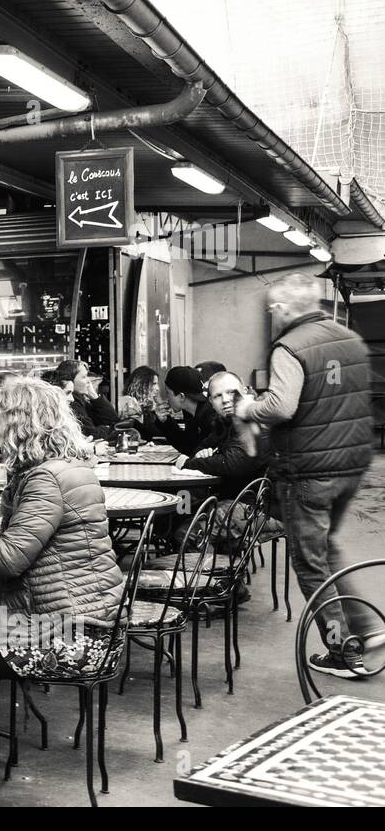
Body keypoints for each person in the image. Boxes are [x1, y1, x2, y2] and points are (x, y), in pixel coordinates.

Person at [0, 377, 124, 804]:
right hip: (97, 620)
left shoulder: (44, 479)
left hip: (72, 634)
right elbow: (44, 532)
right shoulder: (71, 467)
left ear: (20, 424)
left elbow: (13, 558)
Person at [231, 273, 374, 678]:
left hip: (308, 472)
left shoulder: (289, 347)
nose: (272, 314)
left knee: (309, 563)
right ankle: (366, 627)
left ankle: (343, 652)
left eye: (273, 308)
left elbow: (280, 406)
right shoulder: (350, 339)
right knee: (325, 549)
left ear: (287, 308)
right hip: (352, 465)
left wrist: (246, 410)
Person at [176, 371, 269, 499]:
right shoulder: (224, 423)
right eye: (217, 396)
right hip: (226, 501)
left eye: (231, 392)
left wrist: (187, 463)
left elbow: (232, 463)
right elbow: (199, 449)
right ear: (211, 402)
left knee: (181, 504)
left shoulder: (255, 420)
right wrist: (202, 455)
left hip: (249, 510)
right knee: (178, 500)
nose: (225, 400)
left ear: (244, 391)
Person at [159, 365, 220, 455]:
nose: (167, 398)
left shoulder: (211, 417)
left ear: (182, 396)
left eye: (168, 393)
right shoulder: (192, 412)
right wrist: (166, 421)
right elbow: (188, 447)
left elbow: (195, 452)